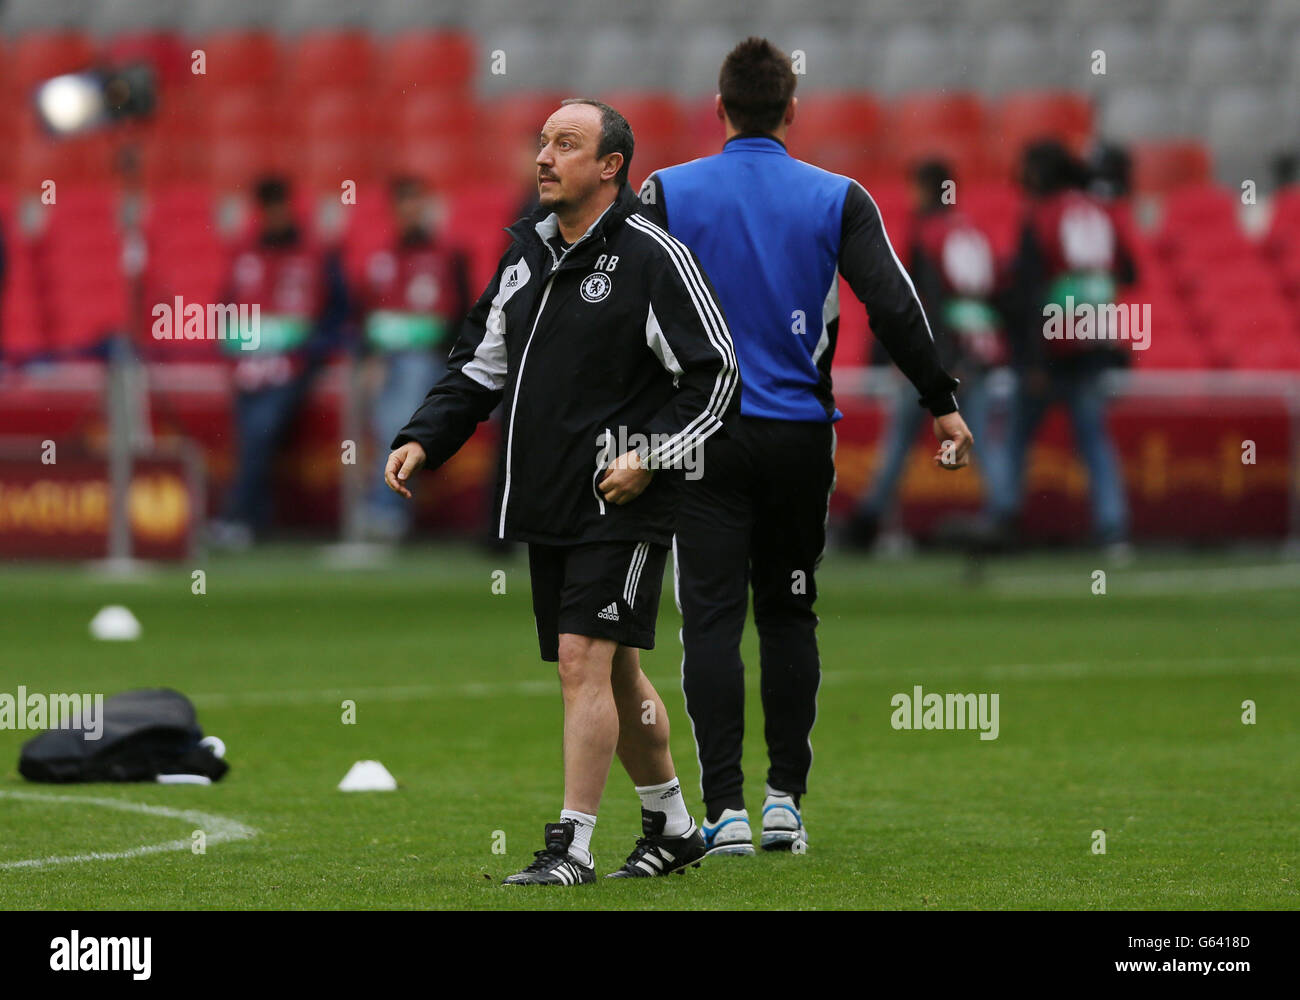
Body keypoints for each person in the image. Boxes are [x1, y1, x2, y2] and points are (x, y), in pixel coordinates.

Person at [384, 99, 739, 885]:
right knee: (612, 671)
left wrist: (650, 456)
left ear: (611, 166)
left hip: (625, 499)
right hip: (549, 500)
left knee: (583, 659)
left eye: (567, 145)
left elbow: (717, 379)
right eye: (542, 143)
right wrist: (422, 437)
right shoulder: (526, 256)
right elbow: (478, 366)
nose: (544, 157)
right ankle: (675, 824)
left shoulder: (654, 257)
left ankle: (570, 844)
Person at [638, 38, 972, 856]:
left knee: (711, 621)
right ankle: (786, 800)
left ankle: (726, 812)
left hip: (704, 435)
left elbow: (626, 314)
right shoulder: (838, 197)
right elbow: (894, 304)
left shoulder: (666, 192)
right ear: (792, 111)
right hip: (796, 441)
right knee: (789, 610)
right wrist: (942, 403)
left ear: (718, 109)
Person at [846, 159, 1009, 550]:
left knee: (900, 440)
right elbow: (992, 293)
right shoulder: (972, 232)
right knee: (983, 438)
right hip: (977, 354)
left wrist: (913, 359)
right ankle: (1005, 514)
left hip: (935, 359)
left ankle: (868, 520)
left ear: (926, 188)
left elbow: (913, 301)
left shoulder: (926, 235)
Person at [988, 140, 1135, 556]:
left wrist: (1033, 358)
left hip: (1051, 346)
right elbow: (1126, 270)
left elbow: (1031, 289)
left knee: (1016, 436)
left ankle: (1004, 518)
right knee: (1093, 440)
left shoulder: (1041, 214)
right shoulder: (1099, 211)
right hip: (1095, 339)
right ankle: (1114, 529)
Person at [211, 176, 347, 548]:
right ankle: (256, 515)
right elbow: (226, 306)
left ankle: (238, 515)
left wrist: (314, 346)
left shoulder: (316, 254)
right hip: (250, 361)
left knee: (260, 428)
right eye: (266, 207)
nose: (272, 214)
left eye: (277, 205)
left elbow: (339, 310)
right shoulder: (246, 254)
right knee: (251, 433)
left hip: (296, 361)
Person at [359, 176, 471, 541]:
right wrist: (372, 356)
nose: (409, 212)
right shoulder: (383, 259)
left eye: (414, 204)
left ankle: (385, 510)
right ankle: (375, 505)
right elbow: (368, 318)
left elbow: (460, 321)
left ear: (425, 207)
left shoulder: (449, 256)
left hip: (433, 361)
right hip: (387, 361)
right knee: (377, 401)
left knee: (400, 408)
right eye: (401, 205)